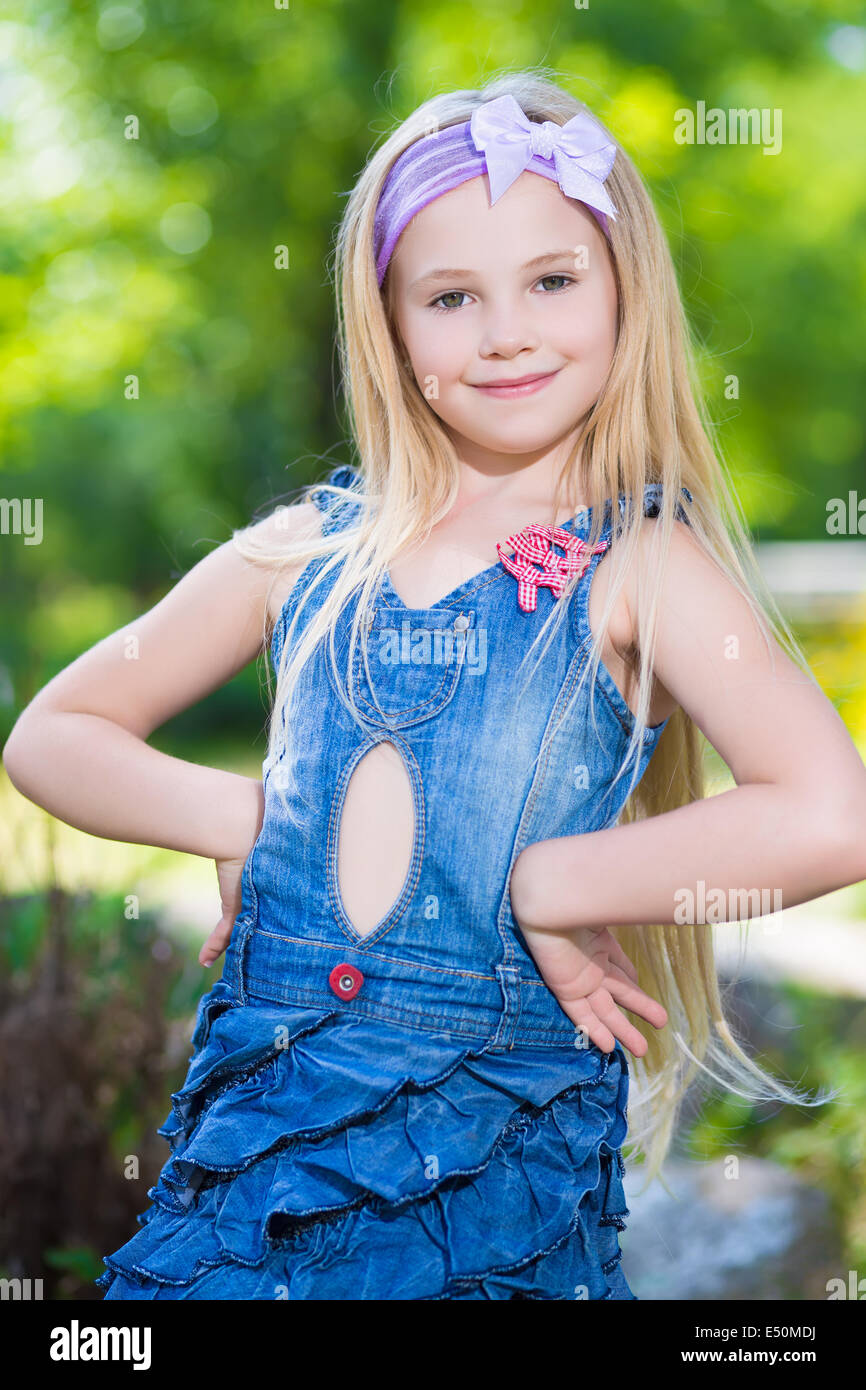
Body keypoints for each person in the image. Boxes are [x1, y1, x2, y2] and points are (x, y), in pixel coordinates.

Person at [5, 71, 866, 1301]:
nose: (504, 331)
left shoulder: (638, 567)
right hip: (252, 1183)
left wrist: (556, 880)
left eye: (551, 281)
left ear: (626, 295)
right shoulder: (305, 549)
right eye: (452, 295)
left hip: (485, 1199)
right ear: (392, 332)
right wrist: (249, 820)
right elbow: (53, 733)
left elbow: (828, 811)